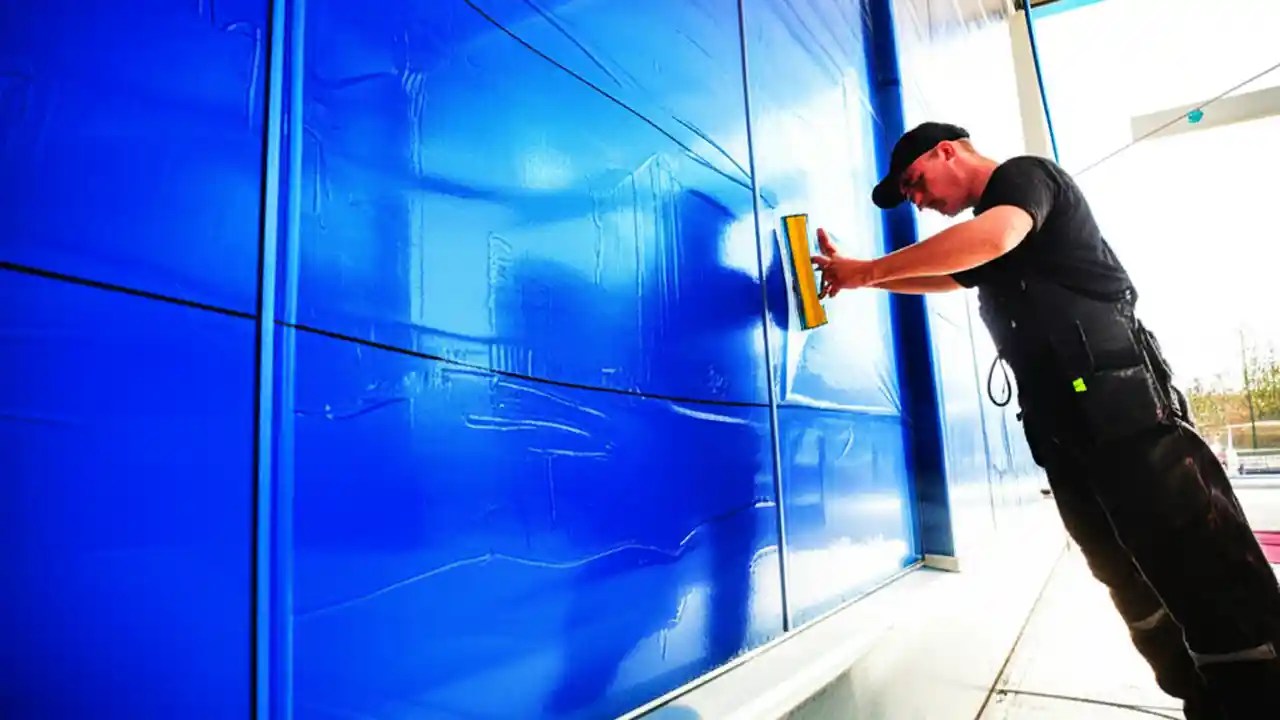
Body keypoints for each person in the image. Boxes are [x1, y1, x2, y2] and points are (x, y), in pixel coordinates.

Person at [811, 121, 1280, 720]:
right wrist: (859, 276)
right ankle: (1204, 701)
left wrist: (871, 269)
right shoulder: (996, 241)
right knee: (1127, 582)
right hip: (1069, 443)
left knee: (1204, 575)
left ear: (947, 150)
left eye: (916, 182)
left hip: (1134, 426)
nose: (920, 202)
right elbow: (951, 274)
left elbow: (992, 237)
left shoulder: (1025, 181)